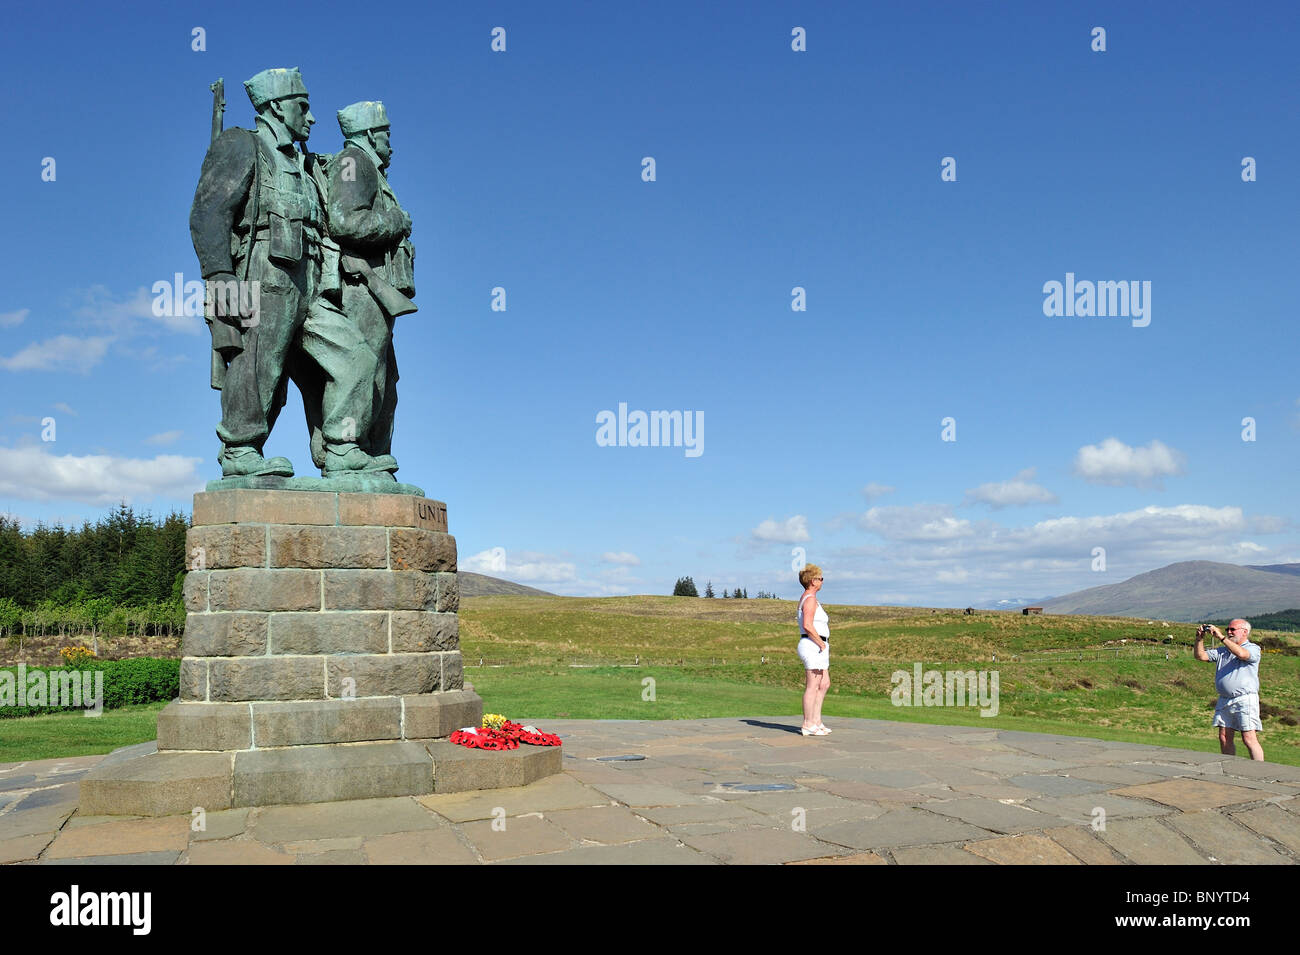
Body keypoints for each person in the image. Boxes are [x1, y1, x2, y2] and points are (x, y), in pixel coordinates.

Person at [1194, 619, 1264, 761]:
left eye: (1233, 629)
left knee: (1248, 738)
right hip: (1225, 698)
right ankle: (1229, 768)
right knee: (1224, 736)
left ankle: (1260, 771)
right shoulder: (1223, 651)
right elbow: (1200, 656)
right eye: (1227, 630)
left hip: (1245, 698)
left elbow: (1242, 655)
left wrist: (1221, 637)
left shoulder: (1253, 648)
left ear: (1245, 632)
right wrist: (1199, 639)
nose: (1229, 632)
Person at [796, 564, 830, 736]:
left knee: (824, 683)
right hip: (813, 645)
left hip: (818, 645)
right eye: (819, 578)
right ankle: (808, 723)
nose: (822, 581)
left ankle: (816, 721)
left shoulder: (812, 599)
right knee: (813, 685)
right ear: (812, 581)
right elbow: (807, 625)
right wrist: (821, 644)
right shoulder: (809, 599)